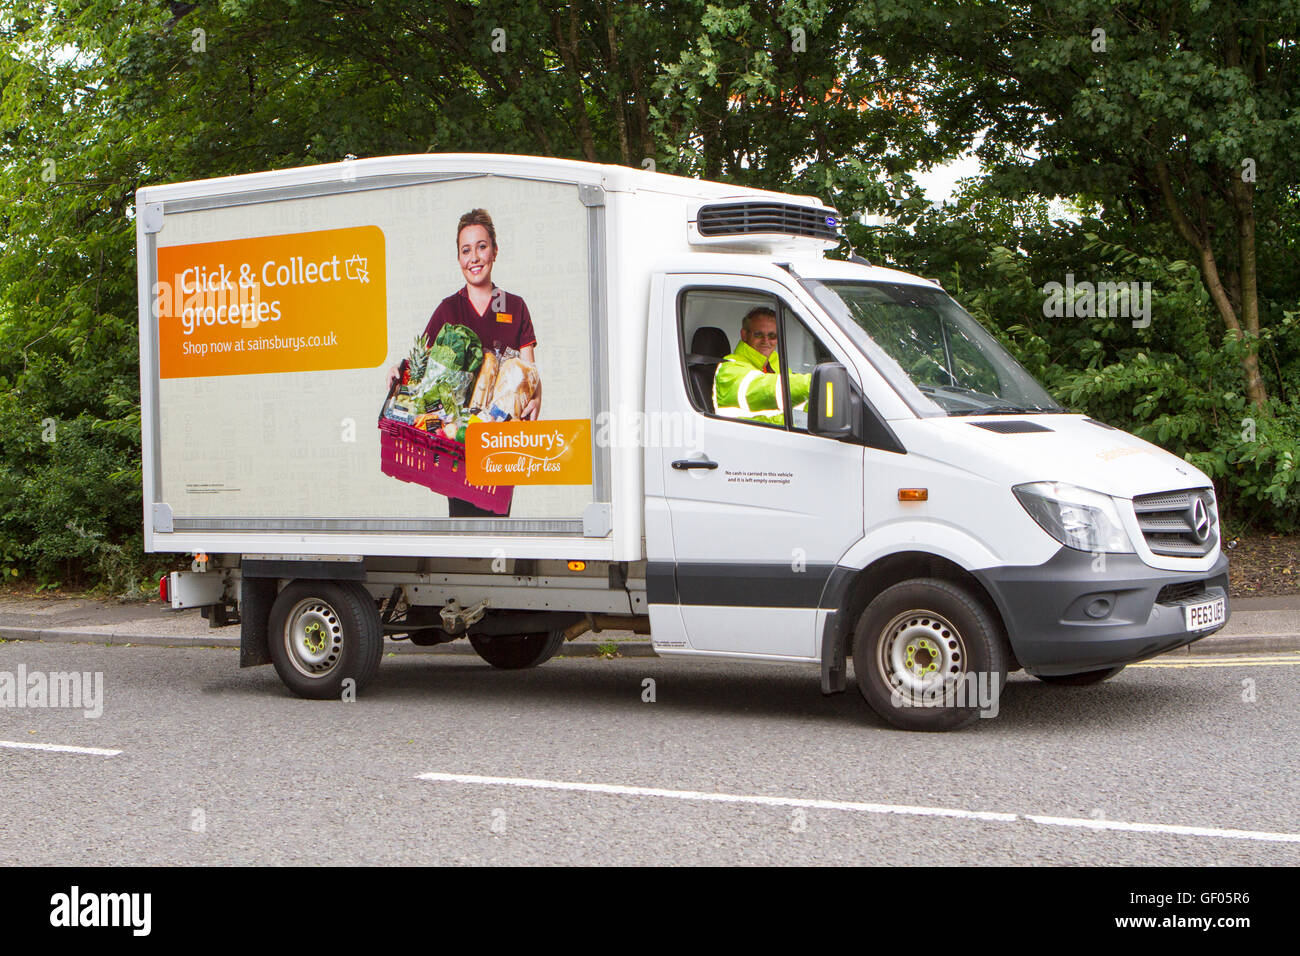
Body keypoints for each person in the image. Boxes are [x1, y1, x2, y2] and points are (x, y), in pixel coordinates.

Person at [387, 208, 540, 517]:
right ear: (458, 258)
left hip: (499, 439)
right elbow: (421, 370)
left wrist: (536, 397)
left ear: (495, 251)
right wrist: (398, 371)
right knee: (463, 525)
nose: (474, 257)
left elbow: (529, 370)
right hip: (454, 439)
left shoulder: (514, 306)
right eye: (466, 250)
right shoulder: (448, 310)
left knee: (498, 522)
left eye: (481, 247)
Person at [712, 306, 810, 425]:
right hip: (745, 440)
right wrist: (815, 383)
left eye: (772, 335)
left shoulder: (775, 364)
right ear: (744, 335)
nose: (766, 341)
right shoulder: (729, 368)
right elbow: (767, 389)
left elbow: (800, 399)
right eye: (758, 334)